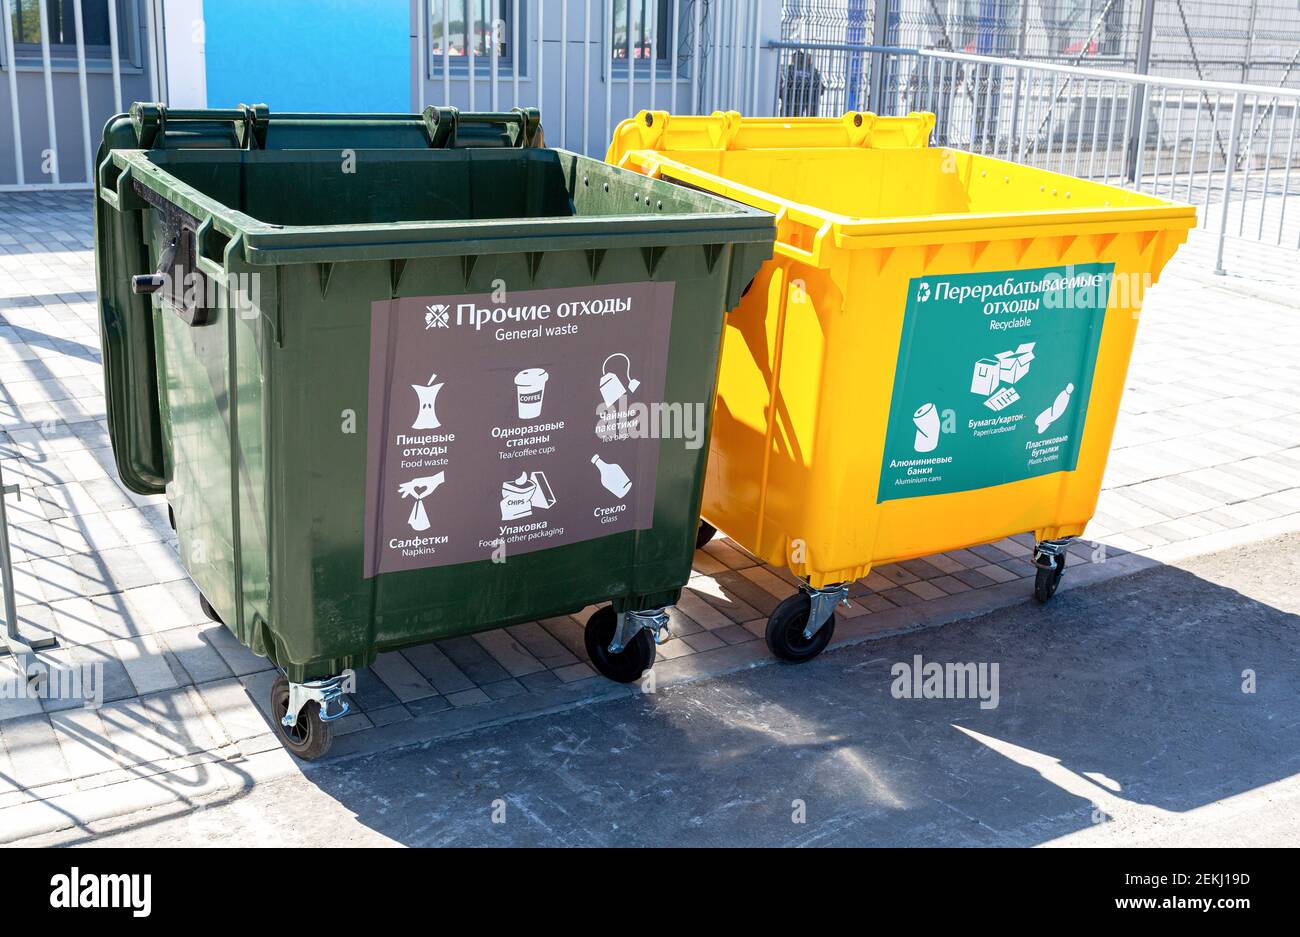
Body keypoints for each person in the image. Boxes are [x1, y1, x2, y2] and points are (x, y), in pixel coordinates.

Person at [779, 50, 824, 117]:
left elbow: (782, 85)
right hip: (808, 100)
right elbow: (820, 88)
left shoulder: (789, 69)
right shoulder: (812, 70)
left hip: (792, 100)